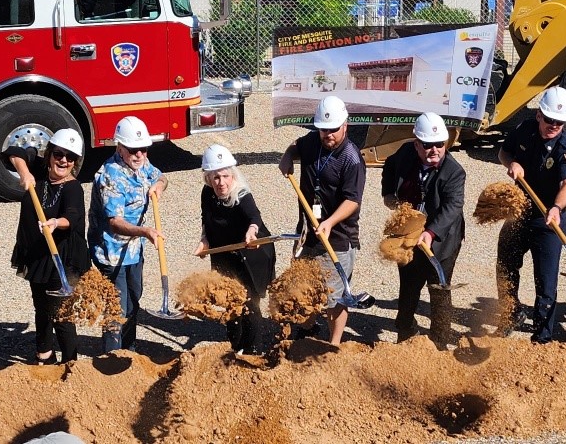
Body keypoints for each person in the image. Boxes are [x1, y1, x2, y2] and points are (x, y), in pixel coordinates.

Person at [277, 96, 366, 345]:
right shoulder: (313, 141)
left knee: (333, 296)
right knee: (304, 286)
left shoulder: (351, 158)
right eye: (323, 129)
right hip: (308, 231)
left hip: (337, 236)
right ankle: (308, 330)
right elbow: (297, 144)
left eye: (333, 129)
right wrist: (288, 155)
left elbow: (352, 200)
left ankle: (334, 343)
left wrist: (330, 222)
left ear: (345, 125)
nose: (328, 135)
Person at [497, 87, 566, 344]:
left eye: (559, 122)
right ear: (539, 116)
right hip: (518, 211)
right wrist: (511, 163)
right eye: (549, 119)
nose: (554, 125)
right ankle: (510, 315)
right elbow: (504, 152)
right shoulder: (524, 129)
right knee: (505, 267)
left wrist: (556, 208)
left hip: (548, 219)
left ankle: (542, 335)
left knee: (545, 281)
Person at [379, 112, 466, 347]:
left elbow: (453, 207)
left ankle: (440, 340)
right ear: (417, 143)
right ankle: (404, 331)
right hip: (409, 234)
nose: (434, 150)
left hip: (441, 241)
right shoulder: (406, 152)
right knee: (408, 285)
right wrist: (388, 193)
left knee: (438, 289)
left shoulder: (454, 172)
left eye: (440, 144)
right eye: (427, 145)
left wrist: (430, 232)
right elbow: (389, 166)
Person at [10, 129, 89, 364]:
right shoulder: (38, 170)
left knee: (61, 313)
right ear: (49, 154)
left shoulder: (73, 188)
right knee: (41, 306)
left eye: (70, 157)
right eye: (59, 154)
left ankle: (70, 362)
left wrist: (56, 222)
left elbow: (73, 216)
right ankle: (44, 354)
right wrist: (25, 173)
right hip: (38, 254)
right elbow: (13, 152)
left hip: (62, 257)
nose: (64, 160)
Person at [91, 116, 167, 353]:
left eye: (143, 149)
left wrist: (159, 185)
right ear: (120, 147)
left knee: (134, 300)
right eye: (133, 150)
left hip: (133, 250)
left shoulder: (142, 164)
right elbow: (115, 223)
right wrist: (144, 231)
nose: (139, 155)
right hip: (111, 252)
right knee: (117, 308)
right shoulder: (110, 176)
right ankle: (112, 355)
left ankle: (129, 352)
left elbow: (161, 177)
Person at [194, 144, 276, 355]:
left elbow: (254, 217)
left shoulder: (241, 195)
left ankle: (253, 350)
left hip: (251, 251)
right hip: (224, 253)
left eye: (225, 176)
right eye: (216, 177)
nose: (221, 182)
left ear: (233, 176)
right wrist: (204, 240)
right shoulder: (207, 193)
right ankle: (235, 346)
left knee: (249, 302)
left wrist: (251, 231)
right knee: (230, 300)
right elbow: (206, 219)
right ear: (208, 178)